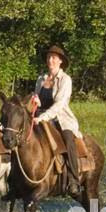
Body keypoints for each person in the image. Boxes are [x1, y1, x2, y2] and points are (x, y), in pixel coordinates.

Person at [29, 45, 82, 196]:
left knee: (68, 139)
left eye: (53, 58)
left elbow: (59, 104)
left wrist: (44, 117)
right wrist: (36, 101)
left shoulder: (66, 80)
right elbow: (38, 98)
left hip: (60, 119)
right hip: (39, 117)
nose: (50, 60)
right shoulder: (41, 79)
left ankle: (74, 179)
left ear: (60, 62)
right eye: (48, 57)